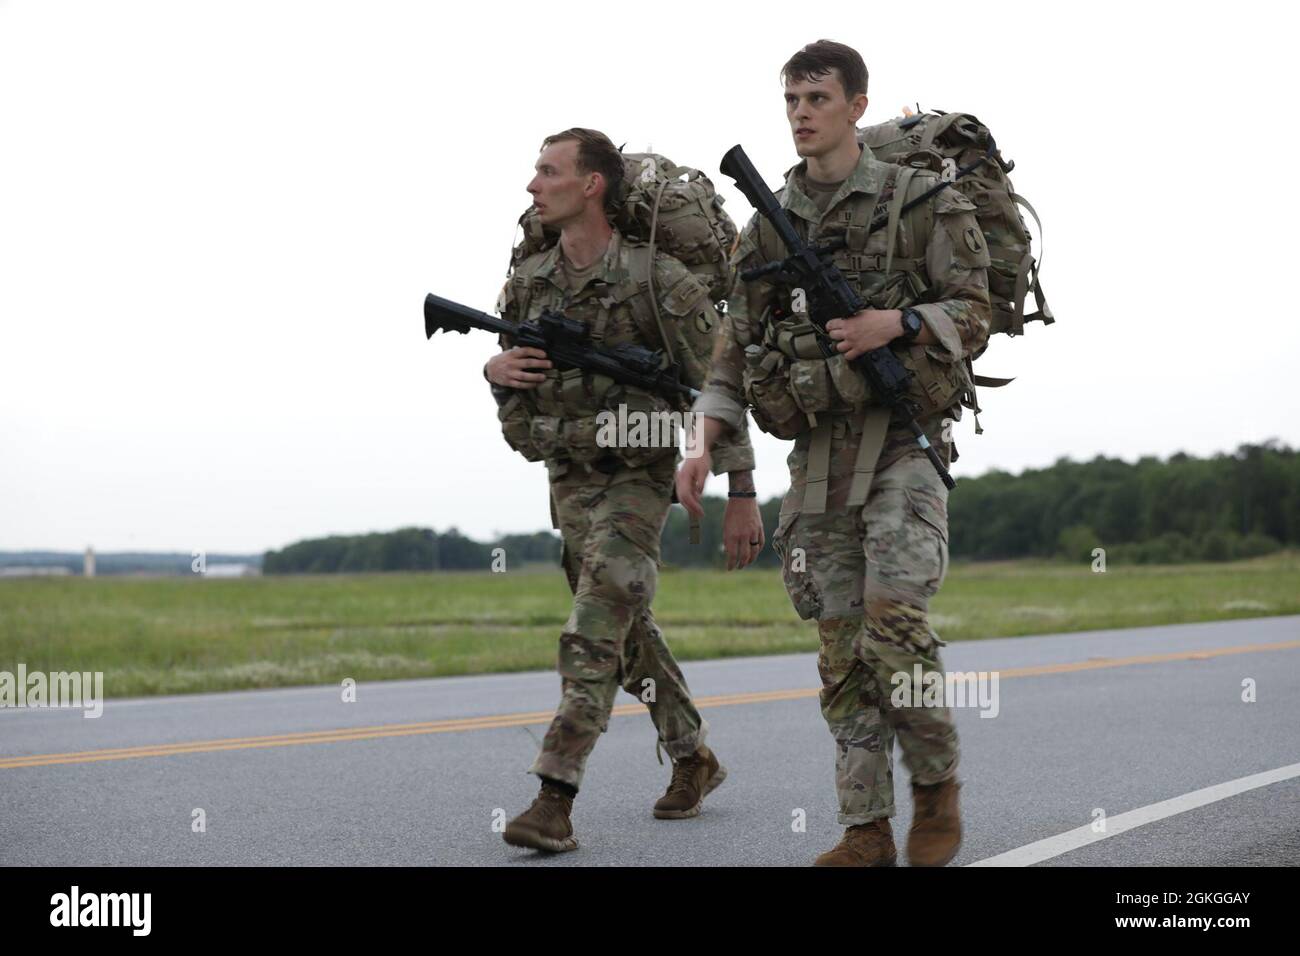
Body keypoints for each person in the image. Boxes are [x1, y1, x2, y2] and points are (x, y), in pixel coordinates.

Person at [677, 40, 992, 866]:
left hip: (903, 446)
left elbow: (976, 309)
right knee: (842, 651)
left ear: (857, 104)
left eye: (817, 98)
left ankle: (935, 785)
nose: (801, 114)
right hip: (816, 460)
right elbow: (732, 352)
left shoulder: (921, 201)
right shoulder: (765, 228)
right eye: (791, 100)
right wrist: (704, 440)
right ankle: (864, 830)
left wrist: (902, 323)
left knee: (895, 620)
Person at [487, 127, 763, 853]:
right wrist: (498, 377)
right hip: (567, 483)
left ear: (592, 186)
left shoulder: (655, 280)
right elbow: (517, 415)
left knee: (594, 626)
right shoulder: (530, 283)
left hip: (640, 481)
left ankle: (554, 795)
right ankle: (693, 755)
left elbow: (718, 380)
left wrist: (742, 491)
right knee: (625, 629)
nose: (532, 185)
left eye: (548, 171)